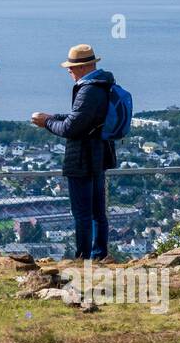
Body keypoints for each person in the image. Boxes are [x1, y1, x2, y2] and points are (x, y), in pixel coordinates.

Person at [32, 44, 118, 261]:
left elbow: (72, 128)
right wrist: (56, 117)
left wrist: (47, 122)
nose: (69, 70)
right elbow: (79, 118)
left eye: (71, 67)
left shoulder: (88, 89)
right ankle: (100, 254)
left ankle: (83, 257)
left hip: (82, 158)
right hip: (98, 155)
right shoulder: (102, 85)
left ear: (83, 67)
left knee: (82, 213)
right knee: (98, 211)